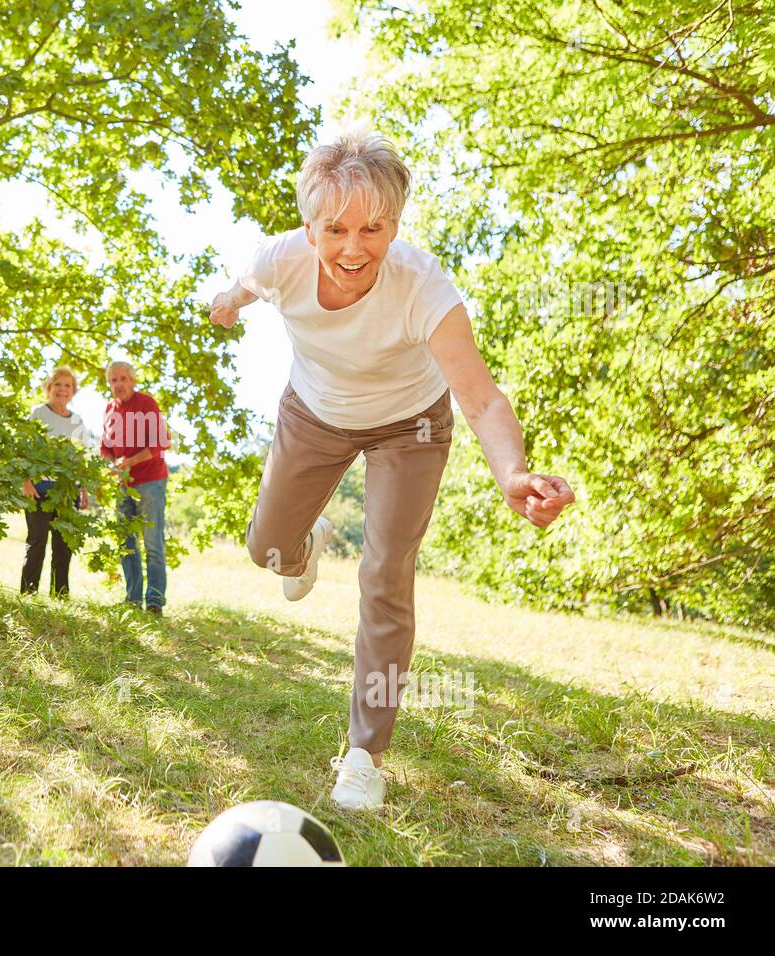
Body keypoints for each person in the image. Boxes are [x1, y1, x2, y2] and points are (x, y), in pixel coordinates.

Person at [209, 126, 576, 811]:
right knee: (267, 548)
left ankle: (363, 754)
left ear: (396, 223)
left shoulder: (422, 286)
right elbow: (245, 284)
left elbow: (481, 396)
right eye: (336, 228)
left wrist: (513, 474)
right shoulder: (282, 260)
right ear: (309, 226)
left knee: (385, 572)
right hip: (315, 411)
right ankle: (303, 547)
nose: (355, 247)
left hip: (410, 425)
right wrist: (228, 303)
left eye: (374, 227)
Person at [100, 361, 170, 615]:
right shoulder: (109, 409)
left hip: (151, 481)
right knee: (126, 544)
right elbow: (105, 447)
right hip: (123, 485)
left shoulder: (146, 403)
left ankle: (154, 601)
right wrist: (112, 464)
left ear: (133, 381)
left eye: (123, 379)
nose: (118, 384)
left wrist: (130, 461)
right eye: (113, 380)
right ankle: (132, 599)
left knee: (153, 543)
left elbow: (161, 442)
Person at [20, 366, 91, 598]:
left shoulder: (78, 422)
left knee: (63, 547)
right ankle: (28, 594)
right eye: (58, 384)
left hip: (66, 492)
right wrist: (26, 481)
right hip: (39, 489)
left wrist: (84, 490)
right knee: (37, 543)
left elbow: (81, 459)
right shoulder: (38, 413)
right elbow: (24, 449)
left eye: (67, 385)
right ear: (49, 387)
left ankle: (60, 595)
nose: (62, 390)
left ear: (73, 391)